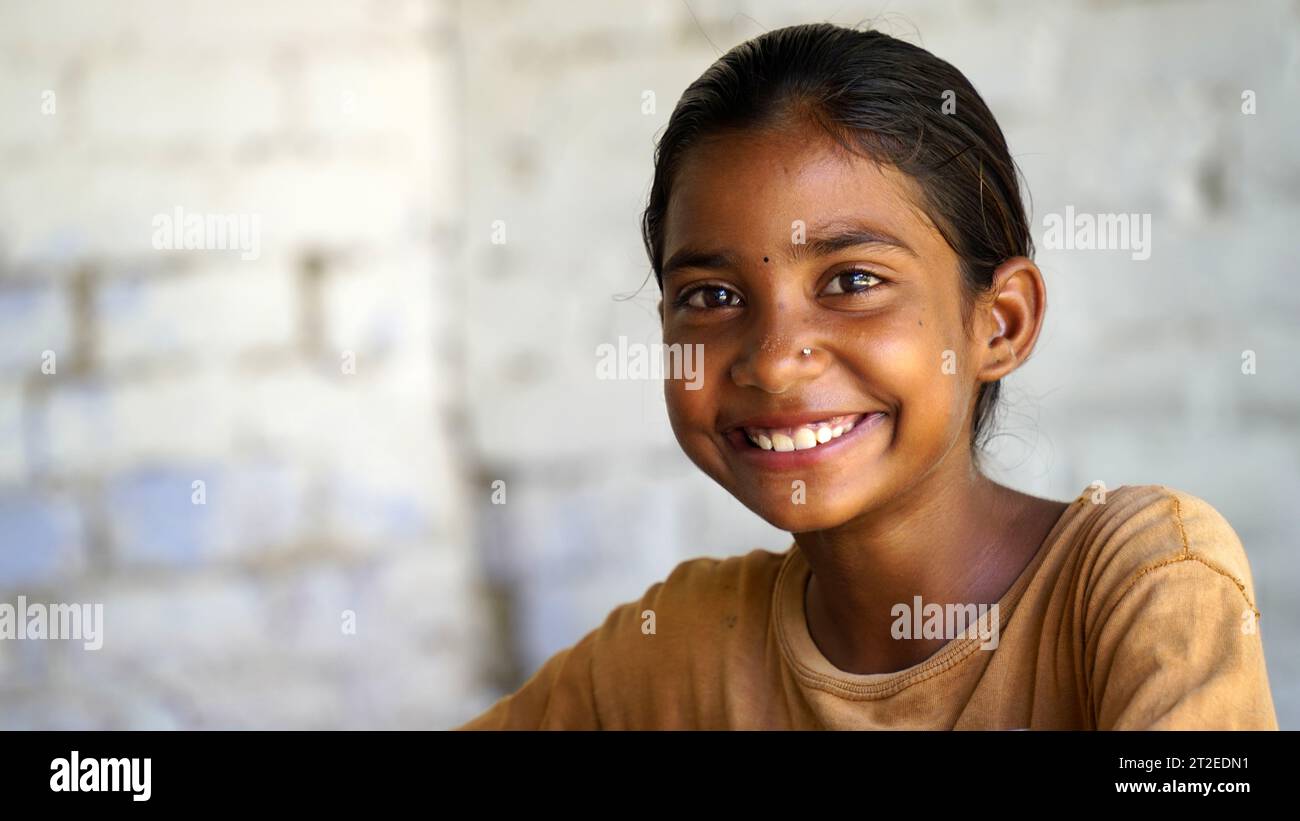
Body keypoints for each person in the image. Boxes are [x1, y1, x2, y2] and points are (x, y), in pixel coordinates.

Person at [458, 22, 1278, 730]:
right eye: (710, 296)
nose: (776, 360)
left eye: (852, 281)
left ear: (1002, 322)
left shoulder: (1141, 581)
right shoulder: (682, 644)